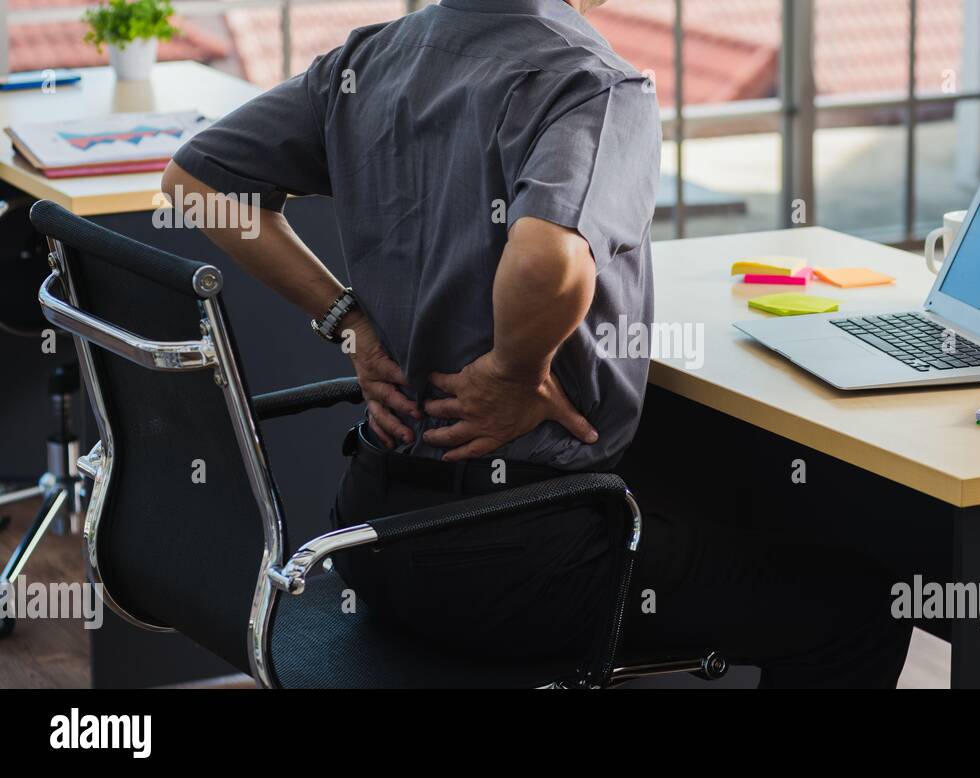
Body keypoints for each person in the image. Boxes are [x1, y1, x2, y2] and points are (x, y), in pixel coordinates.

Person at [163, 0, 910, 687]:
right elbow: (548, 259)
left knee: (702, 514)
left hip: (370, 538)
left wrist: (346, 321)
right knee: (863, 606)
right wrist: (512, 372)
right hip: (516, 563)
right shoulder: (591, 84)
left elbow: (193, 180)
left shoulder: (371, 59)